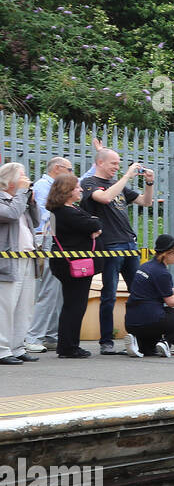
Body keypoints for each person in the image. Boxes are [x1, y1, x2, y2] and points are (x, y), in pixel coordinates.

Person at [80, 148, 154, 354]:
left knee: (138, 292)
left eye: (119, 164)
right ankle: (106, 341)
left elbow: (145, 202)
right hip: (111, 245)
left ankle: (140, 336)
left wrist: (149, 183)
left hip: (129, 243)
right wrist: (127, 176)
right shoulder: (89, 183)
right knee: (109, 294)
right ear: (100, 162)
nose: (117, 167)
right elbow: (103, 198)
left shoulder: (117, 185)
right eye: (113, 163)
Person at [44, 173, 103, 359]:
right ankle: (69, 347)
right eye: (77, 187)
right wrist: (94, 227)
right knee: (75, 306)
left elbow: (93, 223)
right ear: (67, 191)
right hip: (73, 264)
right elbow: (93, 223)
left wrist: (94, 226)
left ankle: (68, 344)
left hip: (70, 262)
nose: (80, 190)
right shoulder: (65, 212)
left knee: (73, 304)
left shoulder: (66, 210)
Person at [24, 156, 73, 353]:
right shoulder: (45, 185)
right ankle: (33, 336)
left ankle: (51, 334)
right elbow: (44, 217)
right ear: (58, 168)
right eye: (69, 170)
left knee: (56, 289)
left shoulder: (52, 186)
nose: (71, 174)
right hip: (46, 242)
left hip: (52, 242)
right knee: (48, 289)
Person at [0, 162, 42, 365]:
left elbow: (35, 222)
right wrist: (22, 194)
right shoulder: (6, 201)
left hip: (27, 258)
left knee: (24, 307)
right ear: (8, 180)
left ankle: (17, 347)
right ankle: (2, 349)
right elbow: (10, 215)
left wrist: (31, 202)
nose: (26, 178)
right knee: (5, 307)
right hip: (8, 260)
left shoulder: (20, 200)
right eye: (22, 175)